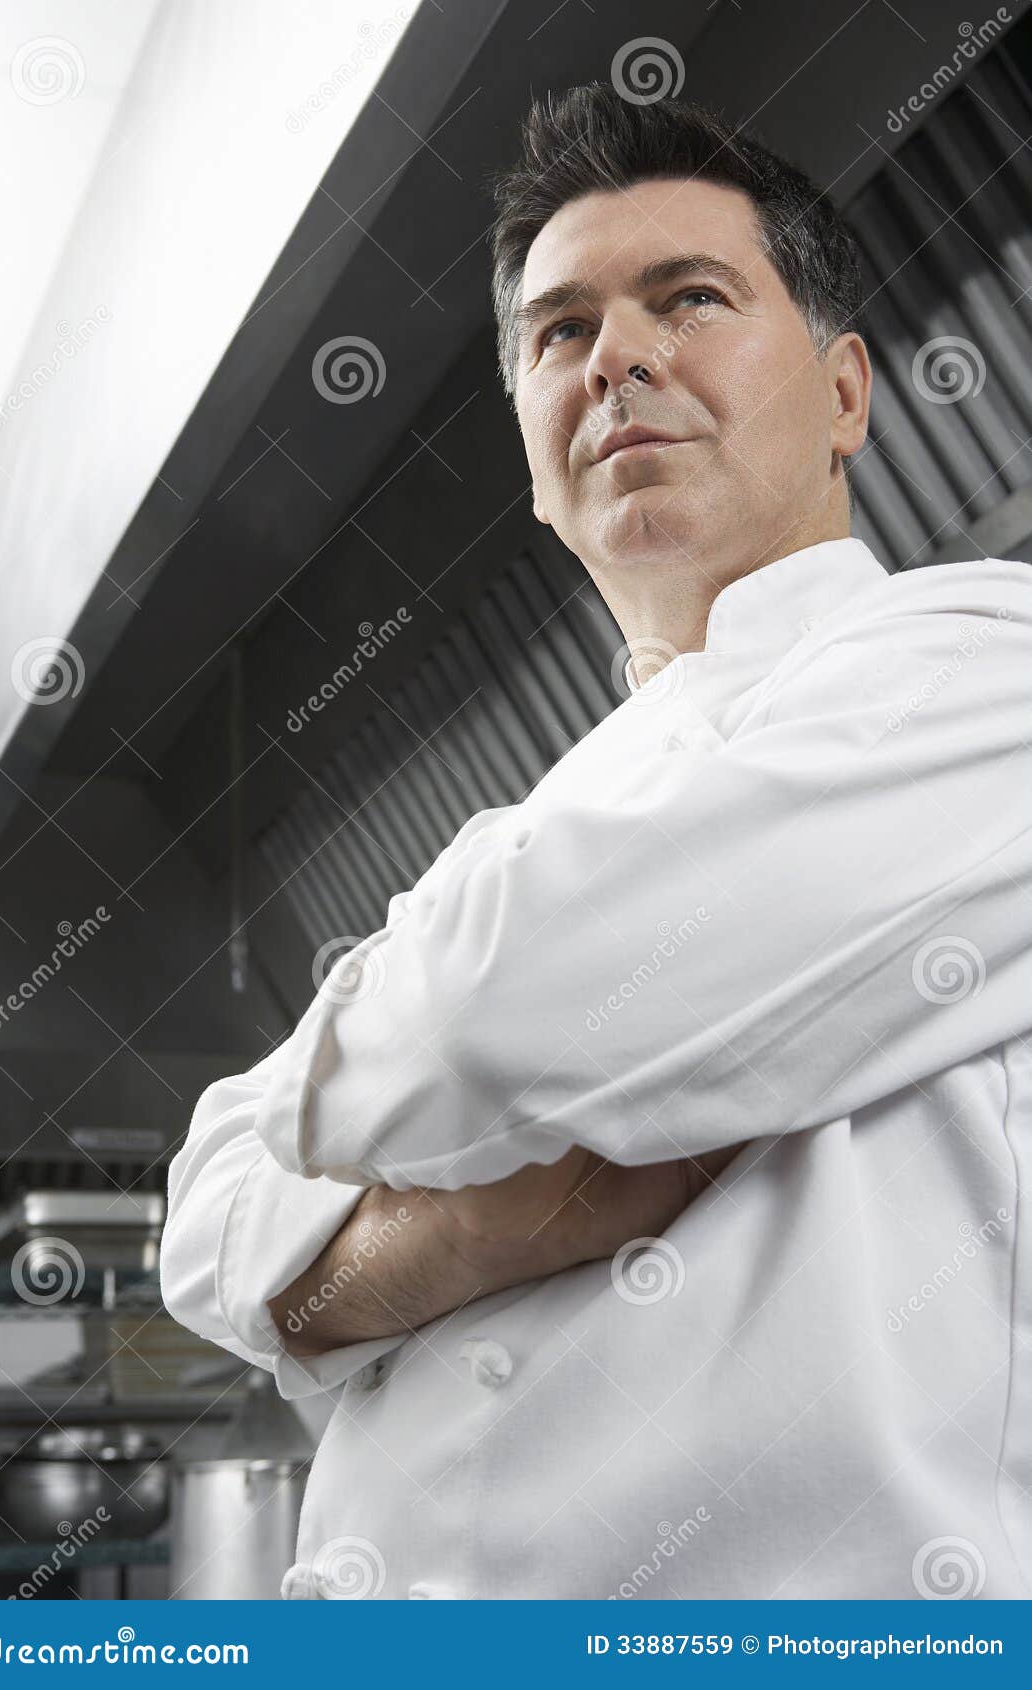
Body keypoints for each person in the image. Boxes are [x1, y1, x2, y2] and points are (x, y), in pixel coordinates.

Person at [161, 85, 1032, 1601]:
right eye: (559, 333)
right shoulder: (537, 827)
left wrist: (347, 1206)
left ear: (843, 394)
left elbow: (479, 1015)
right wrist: (436, 1243)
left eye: (689, 299)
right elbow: (203, 1207)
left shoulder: (985, 675)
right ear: (532, 450)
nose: (616, 356)